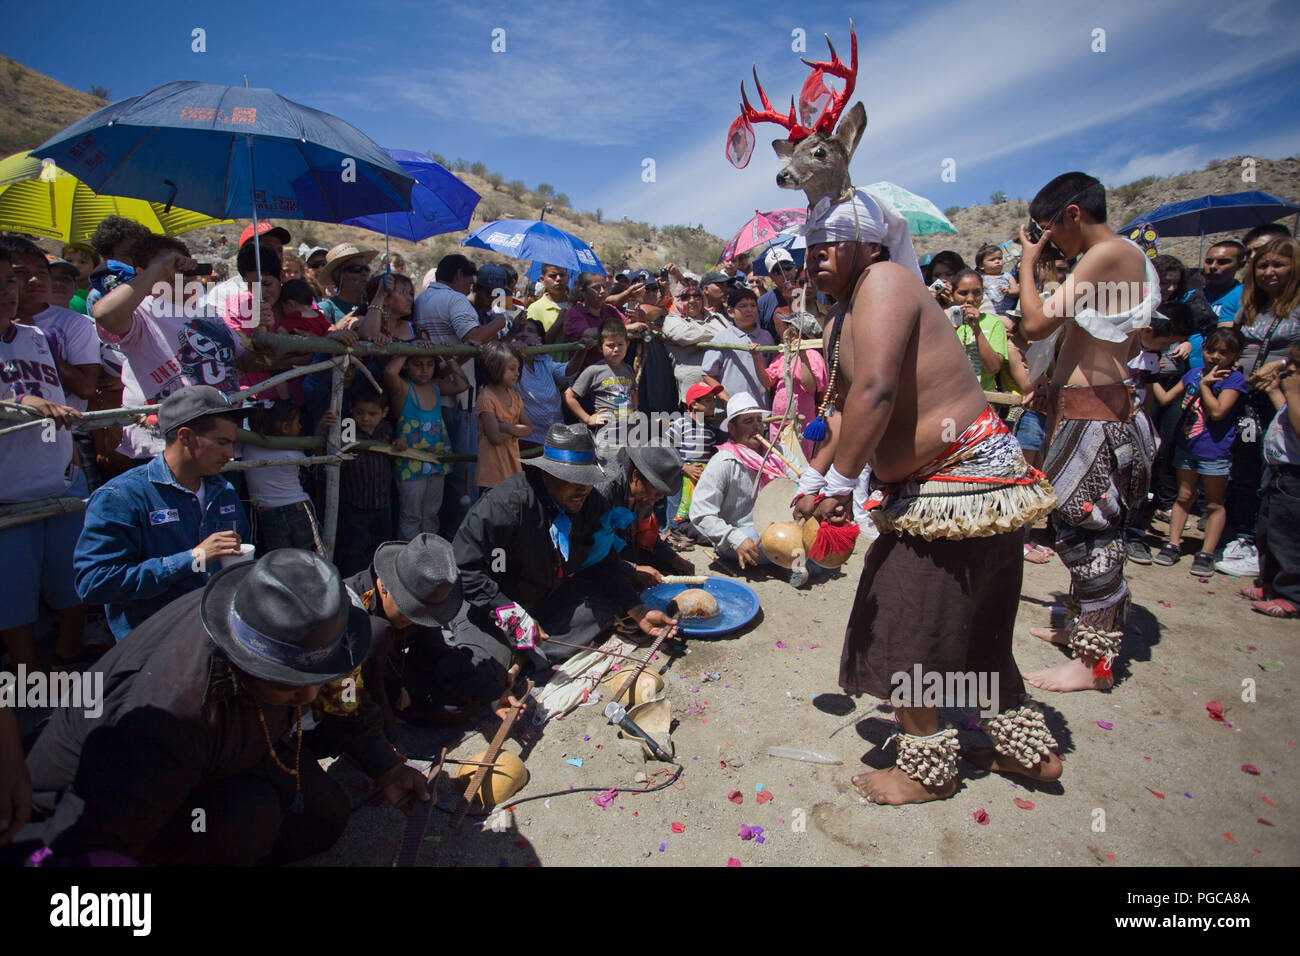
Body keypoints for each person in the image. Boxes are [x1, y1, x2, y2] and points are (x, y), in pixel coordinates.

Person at [789, 188, 1059, 805]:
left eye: (831, 242)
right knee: (975, 629)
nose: (816, 256)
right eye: (810, 245)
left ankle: (925, 772)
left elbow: (877, 392)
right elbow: (840, 408)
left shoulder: (884, 281)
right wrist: (816, 477)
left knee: (906, 621)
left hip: (959, 485)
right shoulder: (844, 313)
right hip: (957, 489)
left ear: (872, 244)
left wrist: (838, 485)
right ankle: (1029, 753)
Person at [24, 549, 427, 865]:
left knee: (321, 819)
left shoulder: (289, 630)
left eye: (314, 681)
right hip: (99, 799)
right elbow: (96, 838)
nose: (307, 698)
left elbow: (343, 701)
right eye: (290, 686)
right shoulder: (174, 710)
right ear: (247, 660)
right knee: (249, 819)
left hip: (228, 752)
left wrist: (385, 767)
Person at [1017, 172, 1159, 693]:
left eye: (1050, 228)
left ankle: (1094, 663)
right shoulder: (1102, 263)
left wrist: (1029, 263)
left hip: (1099, 417)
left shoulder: (1110, 253)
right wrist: (1049, 387)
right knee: (1075, 529)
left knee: (1090, 531)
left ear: (1073, 214)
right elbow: (1072, 340)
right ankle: (1081, 626)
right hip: (1082, 413)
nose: (1048, 238)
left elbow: (1034, 324)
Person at [448, 424, 679, 709]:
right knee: (476, 678)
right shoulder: (504, 506)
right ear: (547, 473)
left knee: (609, 601)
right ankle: (519, 653)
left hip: (545, 600)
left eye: (588, 479)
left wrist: (639, 611)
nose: (583, 488)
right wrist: (510, 615)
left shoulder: (589, 503)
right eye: (574, 480)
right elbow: (466, 568)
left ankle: (524, 655)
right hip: (498, 608)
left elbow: (602, 561)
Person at [73, 386, 250, 641]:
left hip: (217, 640)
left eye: (233, 443)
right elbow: (94, 584)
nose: (231, 455)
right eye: (222, 443)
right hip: (155, 649)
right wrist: (193, 559)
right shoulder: (121, 497)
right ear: (186, 437)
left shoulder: (225, 491)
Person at [0, 252, 89, 671]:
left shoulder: (35, 336)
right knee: (12, 591)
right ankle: (28, 673)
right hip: (8, 490)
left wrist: (73, 460)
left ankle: (69, 655)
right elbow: (32, 398)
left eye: (10, 281)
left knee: (72, 573)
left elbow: (54, 399)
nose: (6, 292)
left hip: (61, 475)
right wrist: (18, 403)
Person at [91, 235, 249, 463]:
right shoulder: (141, 311)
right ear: (142, 271)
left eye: (185, 264)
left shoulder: (209, 314)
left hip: (219, 445)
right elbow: (105, 314)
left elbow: (245, 360)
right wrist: (159, 270)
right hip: (164, 447)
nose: (182, 272)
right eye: (173, 265)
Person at [1218, 236, 1300, 577]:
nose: (1269, 272)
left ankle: (1269, 549)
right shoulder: (1251, 307)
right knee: (1244, 467)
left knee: (1278, 472)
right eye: (1263, 265)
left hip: (1284, 398)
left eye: (1278, 265)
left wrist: (1281, 369)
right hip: (1246, 396)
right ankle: (1245, 536)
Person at [345, 534, 476, 729]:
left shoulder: (422, 595)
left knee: (464, 697)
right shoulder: (349, 609)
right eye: (408, 613)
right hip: (358, 689)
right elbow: (348, 689)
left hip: (401, 672)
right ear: (384, 588)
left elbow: (435, 651)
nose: (412, 621)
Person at [1151, 328, 1247, 575]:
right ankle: (1172, 544)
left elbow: (1217, 411)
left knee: (1214, 503)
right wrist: (1148, 377)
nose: (1215, 356)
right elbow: (1165, 398)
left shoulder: (1234, 380)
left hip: (1215, 451)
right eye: (1210, 350)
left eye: (1223, 353)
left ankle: (1206, 553)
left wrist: (1204, 386)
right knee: (1183, 496)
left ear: (1235, 355)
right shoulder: (1194, 373)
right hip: (1187, 447)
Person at [690, 392, 806, 581]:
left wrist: (809, 485)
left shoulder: (778, 452)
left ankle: (789, 559)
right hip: (743, 534)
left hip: (781, 526)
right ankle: (792, 562)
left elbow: (802, 481)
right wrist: (736, 538)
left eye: (759, 420)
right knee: (766, 538)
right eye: (748, 421)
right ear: (732, 429)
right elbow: (700, 513)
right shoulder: (723, 461)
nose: (757, 427)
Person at [1124, 304, 1195, 564]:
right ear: (1146, 330)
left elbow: (1152, 393)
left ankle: (1133, 533)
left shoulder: (1152, 356)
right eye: (1162, 342)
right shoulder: (1122, 348)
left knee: (1140, 478)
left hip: (1138, 420)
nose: (1162, 348)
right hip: (1116, 419)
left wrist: (1146, 422)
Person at [384, 347, 467, 538]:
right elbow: (389, 372)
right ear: (406, 366)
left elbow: (462, 384)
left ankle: (428, 552)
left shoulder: (436, 386)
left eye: (430, 365)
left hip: (436, 461)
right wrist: (410, 348)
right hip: (410, 462)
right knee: (411, 514)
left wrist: (449, 357)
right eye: (417, 365)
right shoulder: (404, 388)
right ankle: (407, 555)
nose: (424, 370)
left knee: (431, 512)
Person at [1246, 344, 1300, 616]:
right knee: (1267, 531)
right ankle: (1269, 583)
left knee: (1287, 538)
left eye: (1296, 365)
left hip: (1294, 476)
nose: (1289, 369)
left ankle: (1291, 596)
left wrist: (1292, 391)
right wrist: (1276, 391)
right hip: (1277, 471)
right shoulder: (1293, 391)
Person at [593, 444, 692, 579]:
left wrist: (674, 558)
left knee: (672, 567)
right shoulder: (604, 494)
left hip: (625, 553)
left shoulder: (644, 496)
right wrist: (633, 570)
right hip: (597, 563)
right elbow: (594, 553)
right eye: (657, 490)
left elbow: (647, 537)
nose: (660, 497)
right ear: (636, 477)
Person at [241, 400, 326, 555]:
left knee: (281, 561)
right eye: (297, 423)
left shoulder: (246, 447)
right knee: (310, 557)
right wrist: (320, 429)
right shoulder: (293, 452)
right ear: (285, 428)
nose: (300, 426)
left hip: (268, 512)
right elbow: (314, 460)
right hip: (299, 508)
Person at [334, 382, 396, 578]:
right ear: (351, 409)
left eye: (372, 414)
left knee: (381, 546)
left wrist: (398, 445)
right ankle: (356, 586)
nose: (365, 419)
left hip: (382, 502)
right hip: (355, 501)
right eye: (360, 413)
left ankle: (378, 582)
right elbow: (335, 449)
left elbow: (394, 454)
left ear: (384, 412)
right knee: (354, 549)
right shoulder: (349, 427)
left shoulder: (386, 429)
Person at [565, 316, 636, 471]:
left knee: (626, 474)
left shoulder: (628, 369)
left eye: (620, 344)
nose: (616, 349)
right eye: (610, 345)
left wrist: (635, 412)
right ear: (600, 347)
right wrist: (588, 418)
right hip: (607, 434)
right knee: (607, 475)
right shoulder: (594, 370)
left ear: (627, 344)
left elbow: (632, 391)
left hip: (628, 432)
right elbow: (569, 396)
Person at [665, 382, 722, 542]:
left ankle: (687, 532)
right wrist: (683, 466)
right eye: (708, 400)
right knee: (677, 503)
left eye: (714, 400)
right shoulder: (681, 423)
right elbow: (665, 446)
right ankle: (672, 534)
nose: (713, 404)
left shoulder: (710, 429)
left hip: (699, 475)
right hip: (680, 472)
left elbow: (709, 453)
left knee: (692, 504)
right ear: (694, 404)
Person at [509, 324, 579, 450]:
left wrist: (582, 349)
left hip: (556, 437)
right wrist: (513, 352)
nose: (524, 334)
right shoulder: (511, 363)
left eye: (529, 330)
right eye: (521, 331)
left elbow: (568, 371)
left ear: (539, 340)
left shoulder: (545, 360)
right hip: (528, 439)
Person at [700, 289, 772, 408]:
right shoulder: (722, 339)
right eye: (743, 306)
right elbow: (707, 374)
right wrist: (727, 400)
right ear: (730, 312)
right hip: (731, 412)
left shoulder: (766, 337)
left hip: (762, 410)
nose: (749, 309)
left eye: (753, 305)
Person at [765, 322, 827, 459]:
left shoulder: (812, 355)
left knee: (799, 460)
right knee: (777, 459)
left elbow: (810, 387)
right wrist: (756, 358)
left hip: (800, 421)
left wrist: (803, 355)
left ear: (794, 334)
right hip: (778, 422)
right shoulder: (783, 354)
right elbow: (767, 381)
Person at [475, 339, 529, 491]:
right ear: (495, 368)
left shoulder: (515, 397)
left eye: (518, 369)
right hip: (491, 475)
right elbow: (495, 438)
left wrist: (506, 427)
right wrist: (516, 431)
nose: (517, 373)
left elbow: (529, 428)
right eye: (512, 369)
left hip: (512, 470)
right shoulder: (486, 398)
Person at [205, 222, 291, 316]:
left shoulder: (289, 292)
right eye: (268, 248)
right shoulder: (223, 293)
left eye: (279, 250)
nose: (277, 256)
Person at [948, 268, 1008, 391]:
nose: (970, 299)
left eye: (976, 293)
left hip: (982, 398)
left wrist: (977, 329)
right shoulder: (942, 322)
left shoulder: (994, 323)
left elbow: (993, 367)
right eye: (963, 293)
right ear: (952, 295)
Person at [662, 279, 719, 404]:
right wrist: (717, 334)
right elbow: (683, 336)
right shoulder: (672, 319)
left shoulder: (716, 317)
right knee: (695, 423)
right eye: (685, 297)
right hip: (692, 396)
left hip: (719, 392)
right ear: (678, 299)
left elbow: (729, 333)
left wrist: (702, 333)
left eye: (697, 296)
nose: (692, 300)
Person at [562, 273, 630, 371]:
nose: (602, 291)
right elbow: (588, 333)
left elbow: (629, 325)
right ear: (583, 292)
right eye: (596, 288)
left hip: (611, 373)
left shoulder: (610, 309)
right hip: (586, 375)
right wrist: (626, 328)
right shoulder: (574, 313)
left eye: (604, 286)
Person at [318, 242, 378, 326]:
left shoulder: (374, 306)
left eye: (366, 268)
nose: (364, 273)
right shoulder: (326, 308)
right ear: (338, 276)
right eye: (356, 269)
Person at [975, 243, 1019, 317]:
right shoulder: (980, 279)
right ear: (981, 266)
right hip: (988, 312)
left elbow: (1016, 291)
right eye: (992, 260)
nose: (997, 261)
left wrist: (1008, 292)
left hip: (1008, 312)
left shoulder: (1007, 276)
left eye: (999, 258)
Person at [530, 264, 570, 340]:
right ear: (542, 279)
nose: (558, 279)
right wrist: (559, 323)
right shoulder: (535, 309)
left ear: (567, 278)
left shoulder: (576, 306)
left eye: (562, 275)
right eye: (553, 275)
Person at [60, 242, 100, 315]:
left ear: (95, 267)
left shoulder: (98, 291)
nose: (75, 265)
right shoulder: (59, 288)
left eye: (83, 262)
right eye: (69, 261)